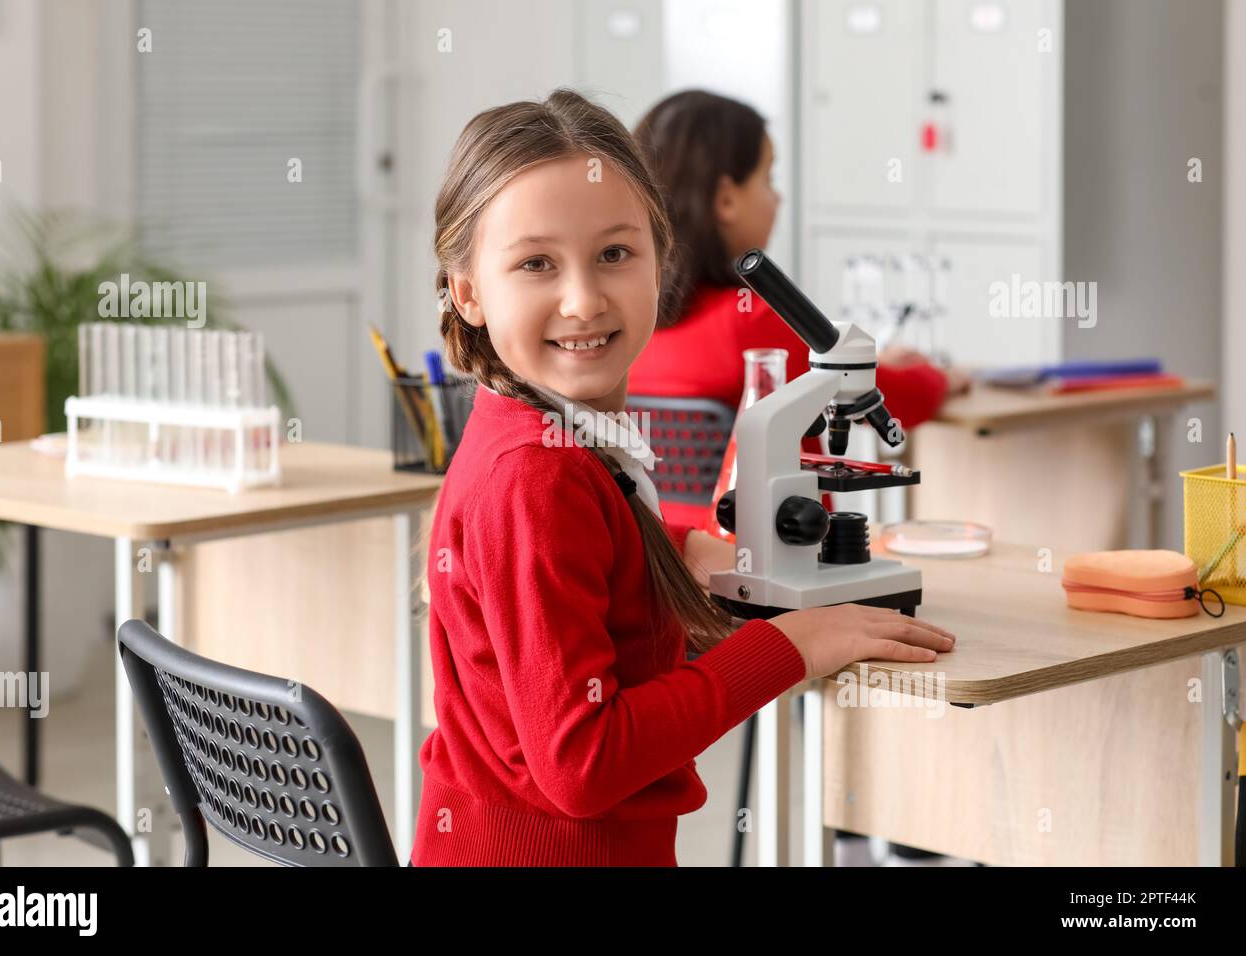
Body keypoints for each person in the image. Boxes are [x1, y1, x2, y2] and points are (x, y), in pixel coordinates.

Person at [411, 88, 956, 866]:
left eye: (614, 254)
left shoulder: (529, 431)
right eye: (536, 263)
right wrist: (792, 647)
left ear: (661, 260)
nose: (583, 298)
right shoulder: (535, 476)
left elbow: (572, 556)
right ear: (467, 291)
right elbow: (582, 764)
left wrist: (671, 547)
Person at [629, 89, 971, 529]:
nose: (778, 199)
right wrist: (940, 377)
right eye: (768, 179)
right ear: (726, 198)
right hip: (773, 552)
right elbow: (890, 399)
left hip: (664, 555)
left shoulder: (630, 323)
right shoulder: (749, 320)